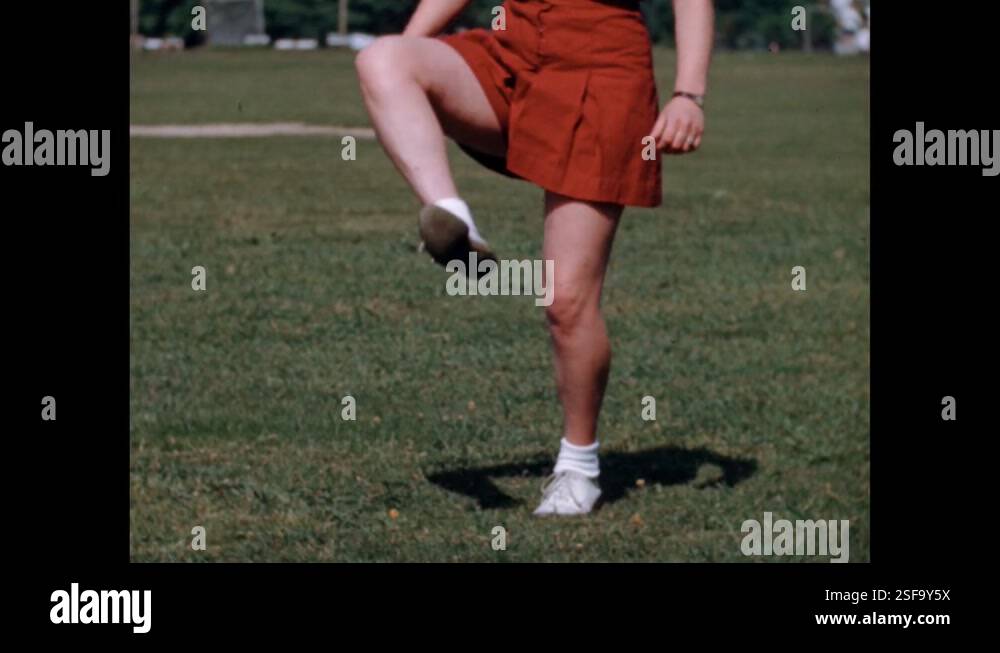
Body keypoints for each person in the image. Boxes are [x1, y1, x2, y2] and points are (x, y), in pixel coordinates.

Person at [355, 0, 714, 515]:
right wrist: (415, 44)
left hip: (602, 74)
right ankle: (453, 219)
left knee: (566, 301)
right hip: (513, 55)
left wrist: (688, 94)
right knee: (384, 60)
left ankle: (578, 467)